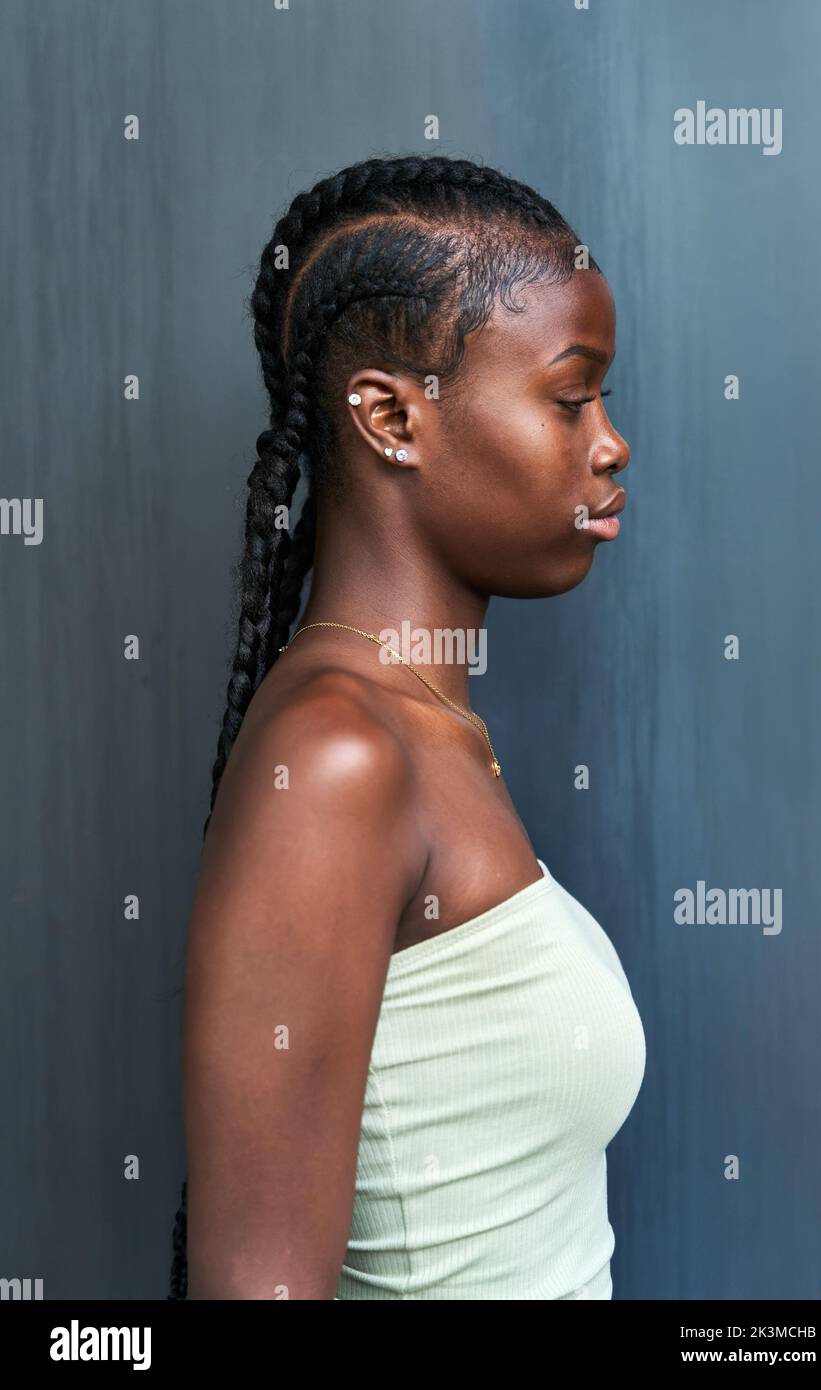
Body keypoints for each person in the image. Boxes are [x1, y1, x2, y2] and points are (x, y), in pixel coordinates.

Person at [168, 153, 644, 1300]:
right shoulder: (336, 759)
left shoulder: (428, 727)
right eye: (570, 395)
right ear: (389, 416)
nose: (609, 444)